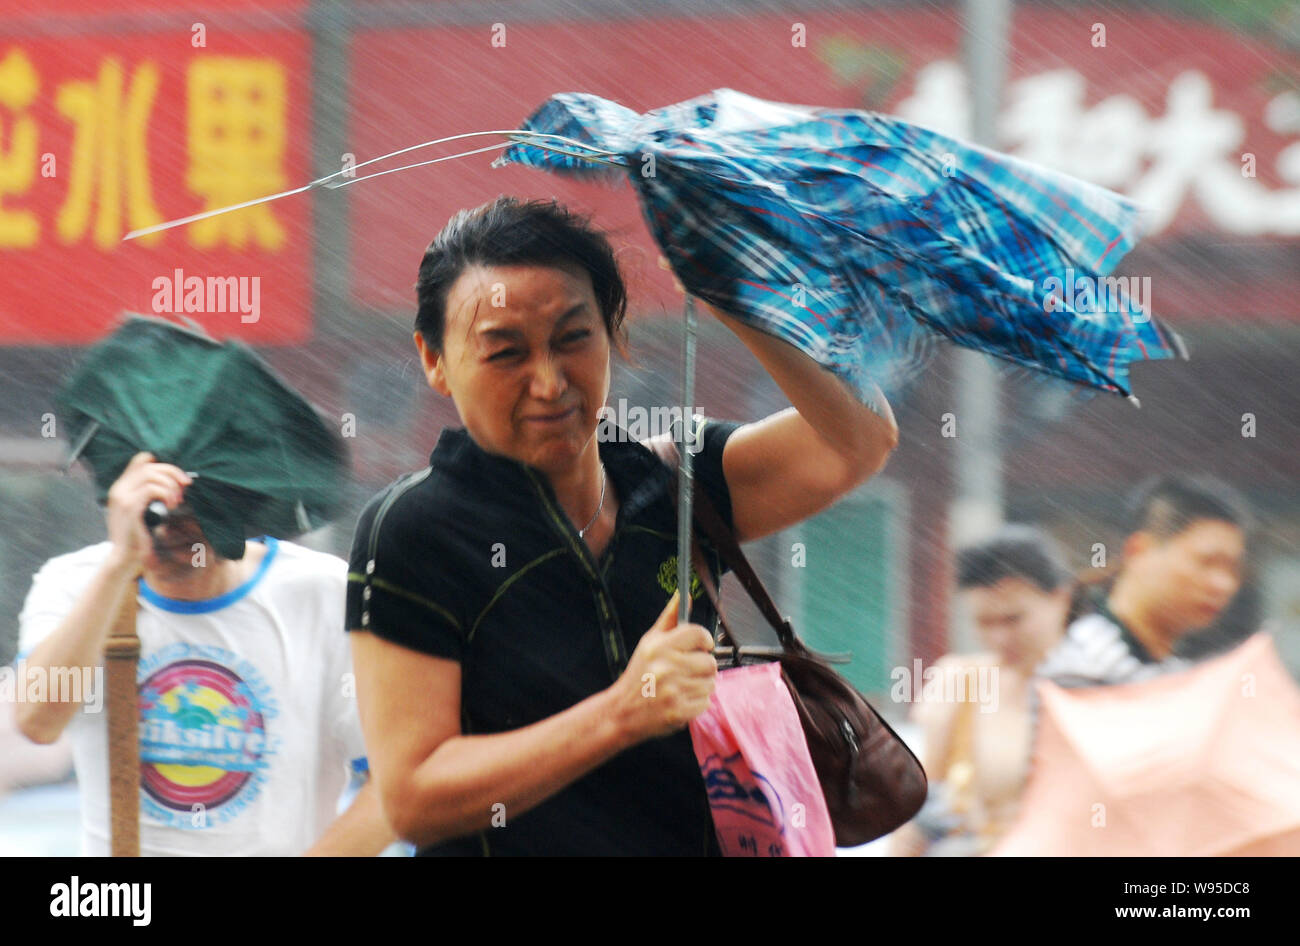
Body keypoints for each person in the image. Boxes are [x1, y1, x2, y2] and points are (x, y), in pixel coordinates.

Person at [346, 196, 900, 856]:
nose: (549, 382)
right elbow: (415, 799)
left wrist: (737, 299)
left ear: (615, 331)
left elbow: (858, 440)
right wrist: (622, 713)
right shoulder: (413, 532)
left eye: (573, 338)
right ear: (435, 360)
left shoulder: (674, 482)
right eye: (505, 353)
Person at [15, 452, 395, 856]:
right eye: (151, 515)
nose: (164, 536)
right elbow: (38, 719)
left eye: (190, 514)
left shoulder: (323, 592)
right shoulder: (77, 584)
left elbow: (392, 784)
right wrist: (118, 567)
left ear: (241, 507)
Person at [890, 525, 1077, 857]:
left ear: (1061, 597)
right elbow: (922, 808)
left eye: (1013, 619)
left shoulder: (1100, 682)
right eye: (984, 622)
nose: (1000, 638)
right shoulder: (961, 682)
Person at [1038, 474, 1249, 688]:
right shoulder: (1080, 668)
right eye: (1206, 562)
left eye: (1233, 568)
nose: (1224, 584)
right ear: (1139, 550)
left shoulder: (1176, 671)